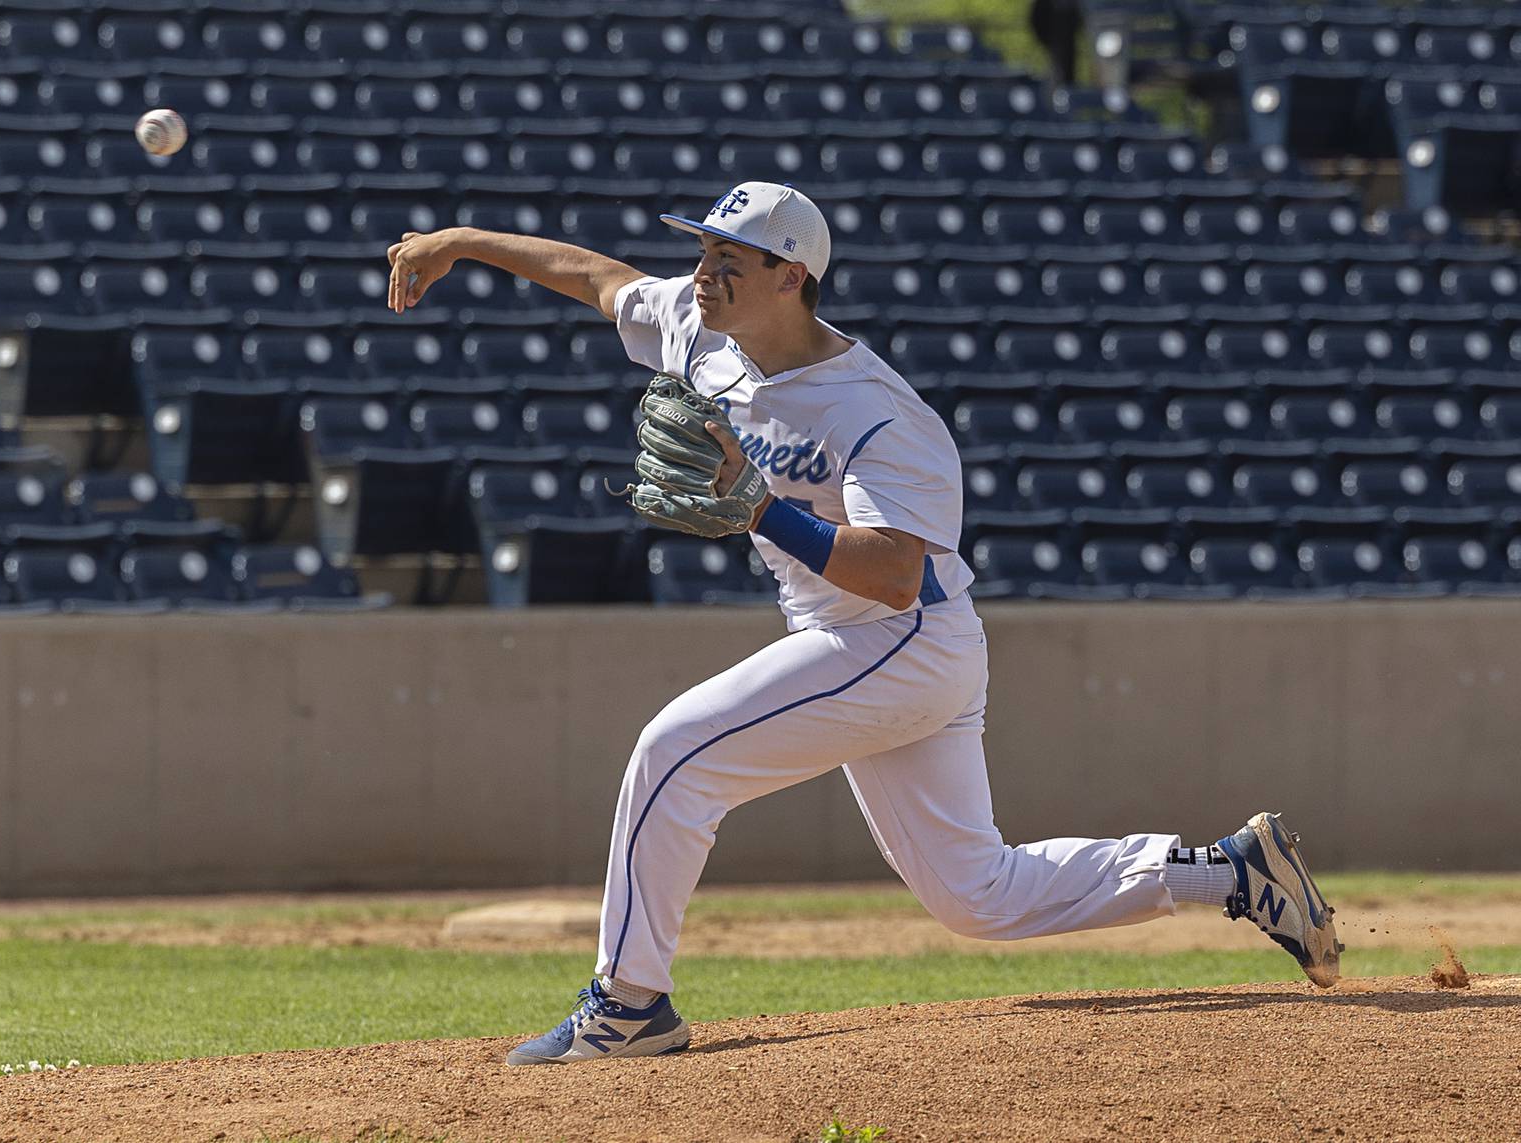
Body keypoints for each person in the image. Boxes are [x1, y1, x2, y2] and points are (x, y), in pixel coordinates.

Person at [384, 181, 1343, 1067]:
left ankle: (631, 1003)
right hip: (860, 640)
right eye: (706, 247)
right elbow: (599, 280)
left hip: (899, 640)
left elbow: (892, 575)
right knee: (978, 894)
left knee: (674, 754)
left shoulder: (881, 414)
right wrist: (460, 243)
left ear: (790, 276)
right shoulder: (701, 330)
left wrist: (759, 506)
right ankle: (1231, 871)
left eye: (730, 256)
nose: (704, 269)